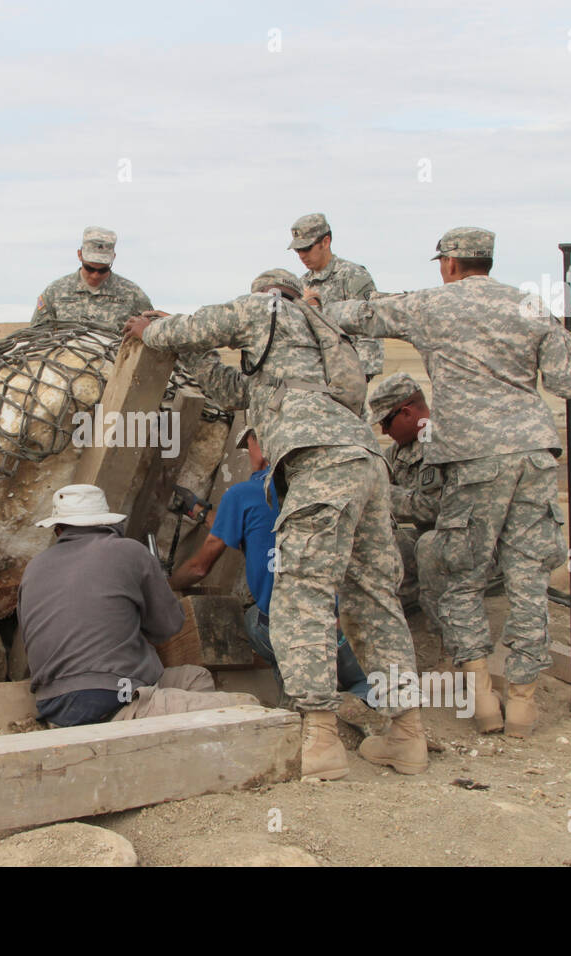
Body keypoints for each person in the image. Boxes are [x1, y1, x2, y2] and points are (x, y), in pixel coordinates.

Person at [126, 268, 428, 781]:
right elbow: (232, 389)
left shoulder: (264, 310)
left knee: (301, 594)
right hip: (365, 463)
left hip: (320, 462)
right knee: (373, 599)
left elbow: (191, 328)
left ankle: (321, 739)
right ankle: (408, 736)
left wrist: (152, 329)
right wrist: (196, 358)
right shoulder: (322, 336)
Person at [329, 228, 571, 738]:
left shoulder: (432, 305)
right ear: (487, 261)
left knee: (458, 572)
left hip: (474, 459)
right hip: (534, 454)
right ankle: (523, 702)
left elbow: (362, 315)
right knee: (528, 574)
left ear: (449, 264)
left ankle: (480, 694)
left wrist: (316, 301)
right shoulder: (529, 305)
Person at [17, 484, 258, 727]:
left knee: (196, 677)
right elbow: (169, 626)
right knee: (247, 708)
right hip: (112, 701)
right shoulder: (129, 551)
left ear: (58, 530)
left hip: (53, 706)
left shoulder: (33, 568)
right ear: (108, 523)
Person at [167, 425, 370, 697]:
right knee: (362, 685)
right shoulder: (318, 488)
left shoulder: (241, 495)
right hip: (332, 624)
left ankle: (296, 697)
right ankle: (365, 703)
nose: (248, 456)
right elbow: (260, 535)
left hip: (289, 629)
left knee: (255, 619)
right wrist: (201, 513)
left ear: (262, 447)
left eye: (248, 447)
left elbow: (199, 567)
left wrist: (168, 585)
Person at [365, 373, 450, 658]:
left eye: (386, 422)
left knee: (428, 547)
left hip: (464, 537)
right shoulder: (401, 451)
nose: (384, 431)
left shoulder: (444, 441)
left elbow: (437, 508)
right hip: (429, 536)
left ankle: (451, 649)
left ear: (407, 412)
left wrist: (380, 493)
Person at [290, 213, 383, 381]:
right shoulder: (300, 285)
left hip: (345, 383)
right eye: (297, 250)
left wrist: (353, 380)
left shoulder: (353, 277)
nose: (301, 255)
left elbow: (371, 333)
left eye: (306, 248)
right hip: (311, 383)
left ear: (325, 242)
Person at [30, 227, 153, 334]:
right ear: (79, 255)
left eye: (103, 270)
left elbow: (151, 334)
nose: (95, 275)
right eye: (89, 268)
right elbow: (36, 335)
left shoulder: (133, 294)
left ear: (113, 258)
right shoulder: (55, 292)